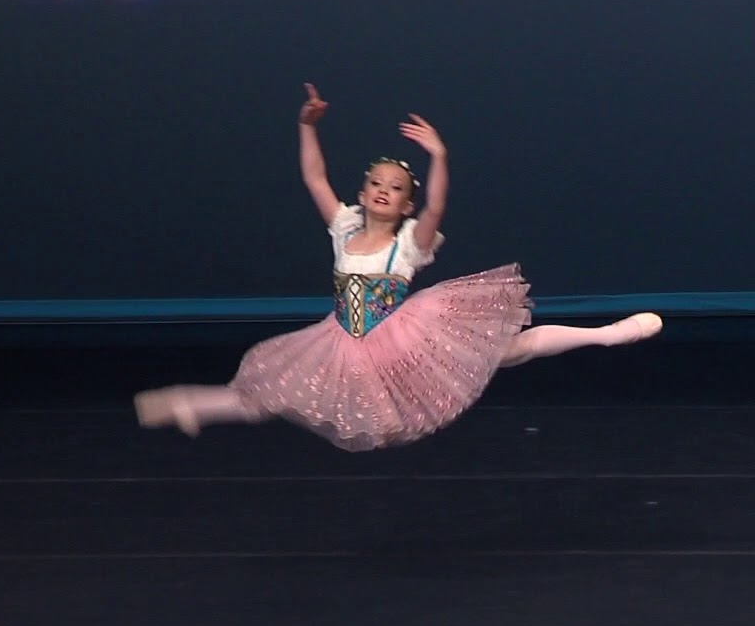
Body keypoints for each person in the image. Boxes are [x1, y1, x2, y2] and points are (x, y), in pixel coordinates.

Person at [134, 83, 662, 451]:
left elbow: (436, 207)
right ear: (363, 194)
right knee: (273, 395)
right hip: (343, 339)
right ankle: (189, 403)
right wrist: (306, 127)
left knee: (515, 349)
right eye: (376, 185)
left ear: (405, 205)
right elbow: (315, 180)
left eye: (395, 189)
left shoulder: (411, 241)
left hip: (407, 335)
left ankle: (608, 335)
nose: (384, 192)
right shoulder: (344, 227)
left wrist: (440, 157)